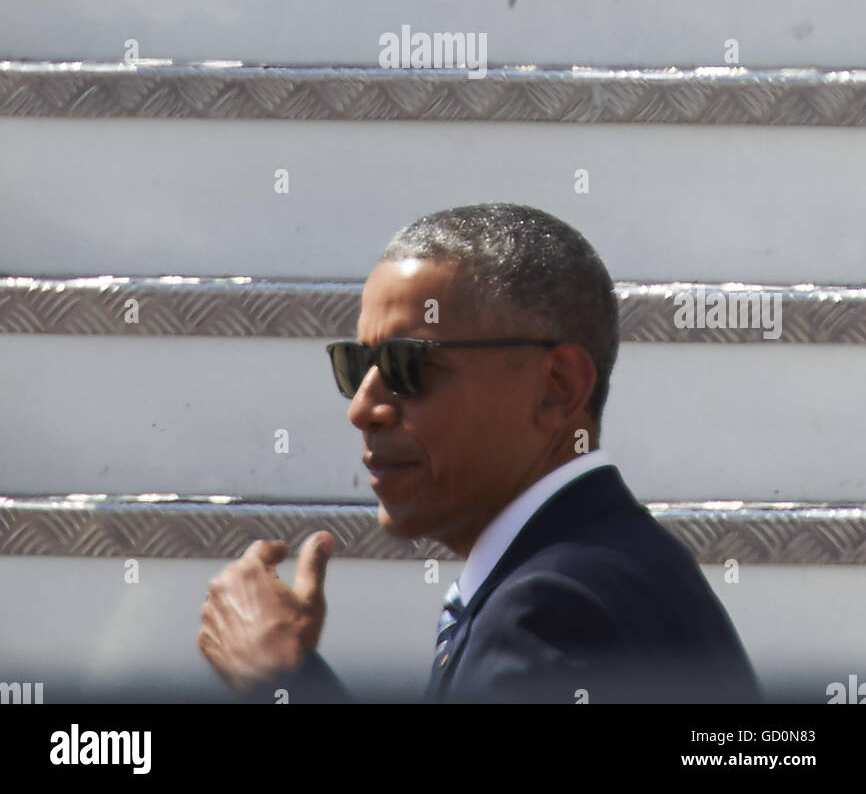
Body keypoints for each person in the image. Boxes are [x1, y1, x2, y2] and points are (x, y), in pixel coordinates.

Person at [198, 203, 760, 704]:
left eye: (407, 366)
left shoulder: (552, 609)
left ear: (557, 386)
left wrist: (283, 683)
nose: (364, 408)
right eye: (355, 366)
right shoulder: (606, 564)